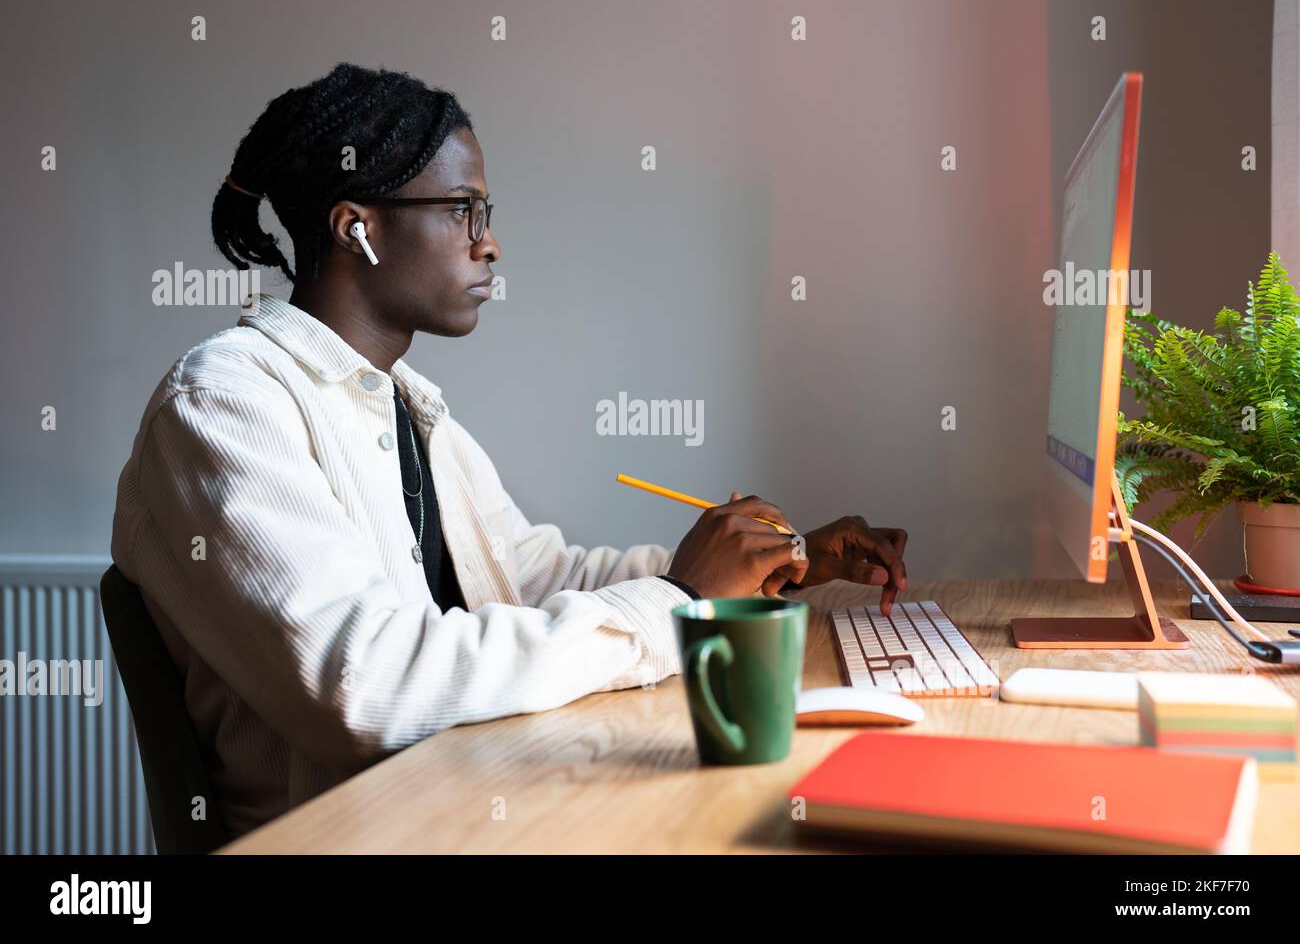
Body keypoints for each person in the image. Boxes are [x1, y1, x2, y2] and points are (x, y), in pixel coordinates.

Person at [110, 63, 908, 837]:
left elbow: (532, 579)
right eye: (463, 210)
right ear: (359, 228)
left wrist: (759, 563)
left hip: (464, 806)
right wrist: (676, 599)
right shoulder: (226, 406)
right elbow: (363, 683)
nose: (489, 245)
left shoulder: (406, 409)